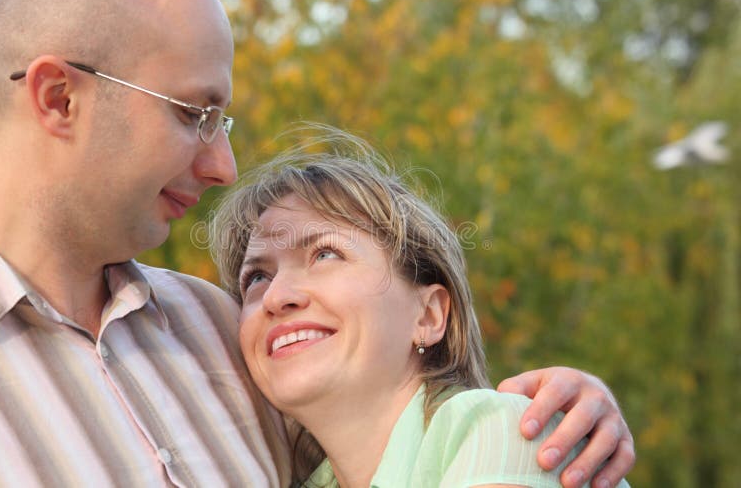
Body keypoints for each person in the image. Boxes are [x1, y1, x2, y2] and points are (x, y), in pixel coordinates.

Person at [0, 0, 633, 486]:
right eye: (192, 114)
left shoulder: (219, 332)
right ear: (60, 99)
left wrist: (561, 413)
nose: (223, 167)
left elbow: (406, 428)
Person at [209, 133, 631, 487]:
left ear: (428, 316)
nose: (276, 295)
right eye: (256, 278)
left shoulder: (506, 427)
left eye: (325, 254)